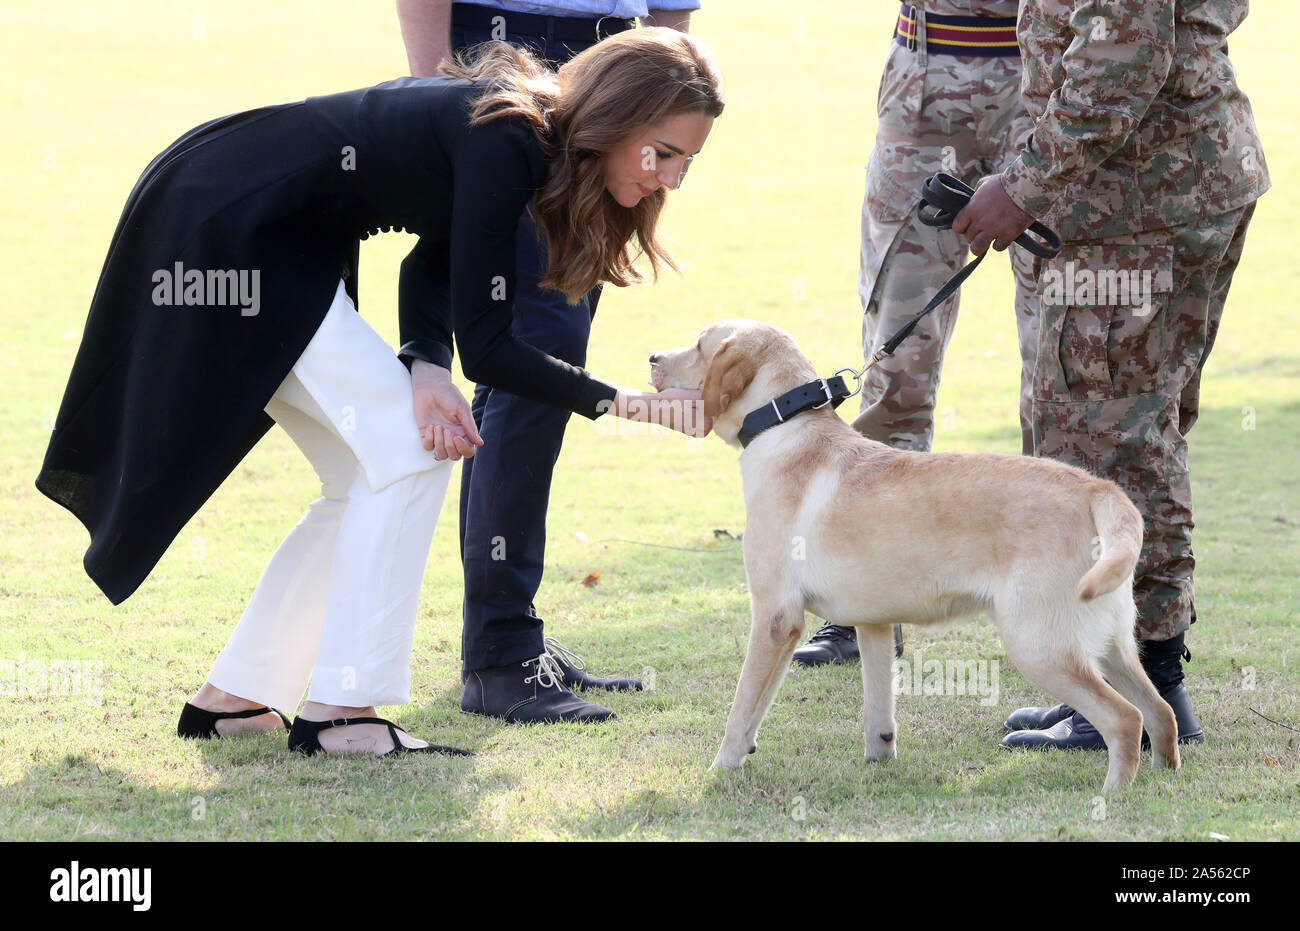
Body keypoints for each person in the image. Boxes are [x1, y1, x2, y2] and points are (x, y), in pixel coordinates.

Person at [35, 27, 723, 756]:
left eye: (687, 163)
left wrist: (425, 364)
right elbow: (490, 348)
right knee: (407, 449)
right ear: (616, 117)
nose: (670, 179)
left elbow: (434, 260)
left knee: (365, 467)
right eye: (664, 152)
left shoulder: (524, 137)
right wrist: (626, 403)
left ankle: (236, 697)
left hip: (238, 218)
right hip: (235, 232)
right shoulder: (510, 137)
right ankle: (342, 712)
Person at [954, 0, 1269, 751]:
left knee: (1112, 440)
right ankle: (1118, 679)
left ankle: (1146, 689)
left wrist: (1022, 182)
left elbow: (1118, 60)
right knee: (1133, 429)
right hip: (1159, 187)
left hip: (1135, 207)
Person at [398, 1, 700, 722]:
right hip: (500, 56)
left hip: (626, 75)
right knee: (535, 358)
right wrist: (435, 88)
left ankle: (505, 635)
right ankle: (501, 654)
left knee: (533, 367)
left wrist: (671, 90)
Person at [794, 2, 1037, 668]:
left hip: (1055, 86)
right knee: (897, 358)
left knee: (1065, 362)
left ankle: (1061, 599)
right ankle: (869, 596)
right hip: (928, 83)